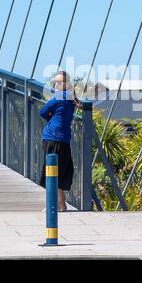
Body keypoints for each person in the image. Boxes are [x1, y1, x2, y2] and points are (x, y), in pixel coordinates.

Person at [39, 70, 82, 211]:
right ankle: (62, 204)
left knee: (51, 171)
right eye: (55, 82)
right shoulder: (71, 98)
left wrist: (51, 115)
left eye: (59, 82)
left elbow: (42, 112)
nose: (56, 84)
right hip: (64, 138)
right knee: (61, 171)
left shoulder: (58, 96)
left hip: (52, 137)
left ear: (66, 84)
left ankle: (51, 205)